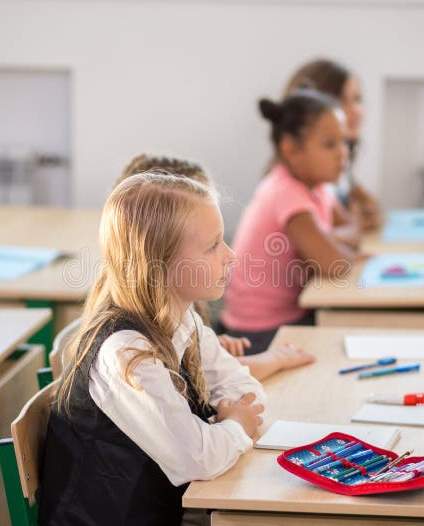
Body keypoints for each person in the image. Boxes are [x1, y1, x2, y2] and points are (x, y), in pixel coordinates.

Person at [39, 172, 266, 525]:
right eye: (212, 246)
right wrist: (234, 425)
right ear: (159, 263)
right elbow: (197, 458)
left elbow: (245, 389)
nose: (231, 255)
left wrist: (227, 422)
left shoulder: (182, 319)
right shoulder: (125, 353)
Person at [117, 154, 315, 380]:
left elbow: (203, 370)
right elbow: (203, 379)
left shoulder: (182, 309)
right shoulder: (135, 343)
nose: (229, 255)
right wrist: (276, 359)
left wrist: (209, 349)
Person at [221, 89, 364, 352]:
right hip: (259, 333)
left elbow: (354, 231)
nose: (342, 153)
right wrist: (330, 244)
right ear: (291, 150)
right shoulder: (285, 192)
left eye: (344, 142)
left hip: (287, 317)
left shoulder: (318, 187)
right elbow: (335, 264)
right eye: (329, 144)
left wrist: (326, 240)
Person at [284, 58, 381, 230]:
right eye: (342, 101)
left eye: (357, 99)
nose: (357, 111)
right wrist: (356, 222)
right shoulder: (299, 181)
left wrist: (365, 207)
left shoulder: (338, 168)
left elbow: (360, 210)